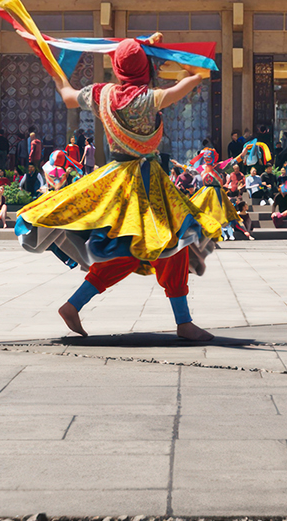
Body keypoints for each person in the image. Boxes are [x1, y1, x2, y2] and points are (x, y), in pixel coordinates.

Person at [15, 29, 222, 342]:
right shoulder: (149, 99)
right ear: (144, 69)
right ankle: (183, 323)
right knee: (172, 247)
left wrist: (54, 71)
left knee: (125, 253)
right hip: (147, 186)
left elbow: (69, 97)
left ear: (116, 69)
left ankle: (74, 305)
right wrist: (171, 58)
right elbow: (195, 77)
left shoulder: (101, 94)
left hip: (114, 183)